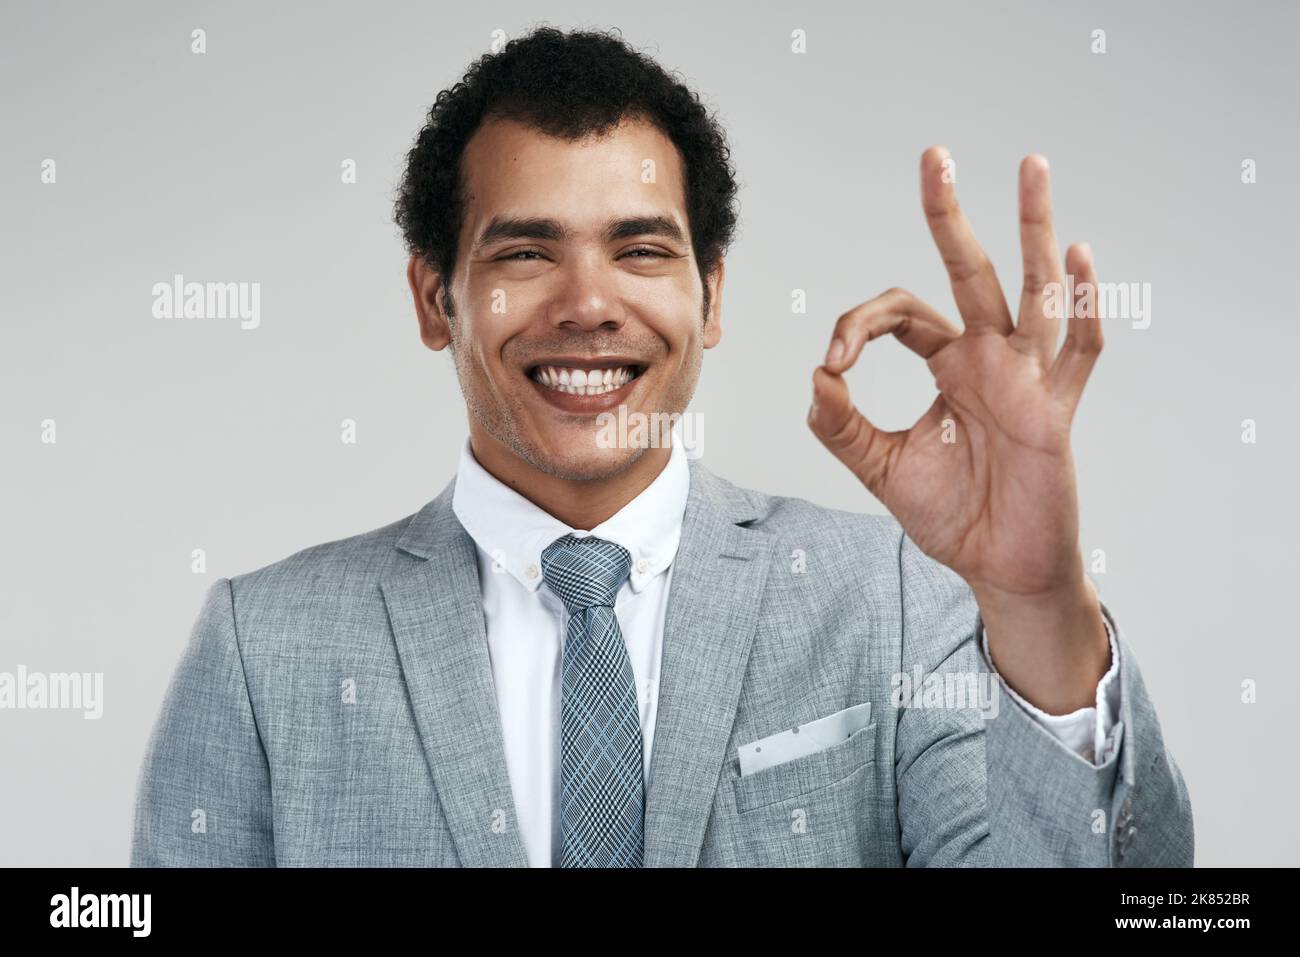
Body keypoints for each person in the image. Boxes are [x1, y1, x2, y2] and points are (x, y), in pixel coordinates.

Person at [131, 26, 1193, 867]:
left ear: (711, 295)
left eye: (640, 250)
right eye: (526, 251)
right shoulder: (262, 647)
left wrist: (1037, 601)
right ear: (434, 297)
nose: (589, 304)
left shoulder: (894, 604)